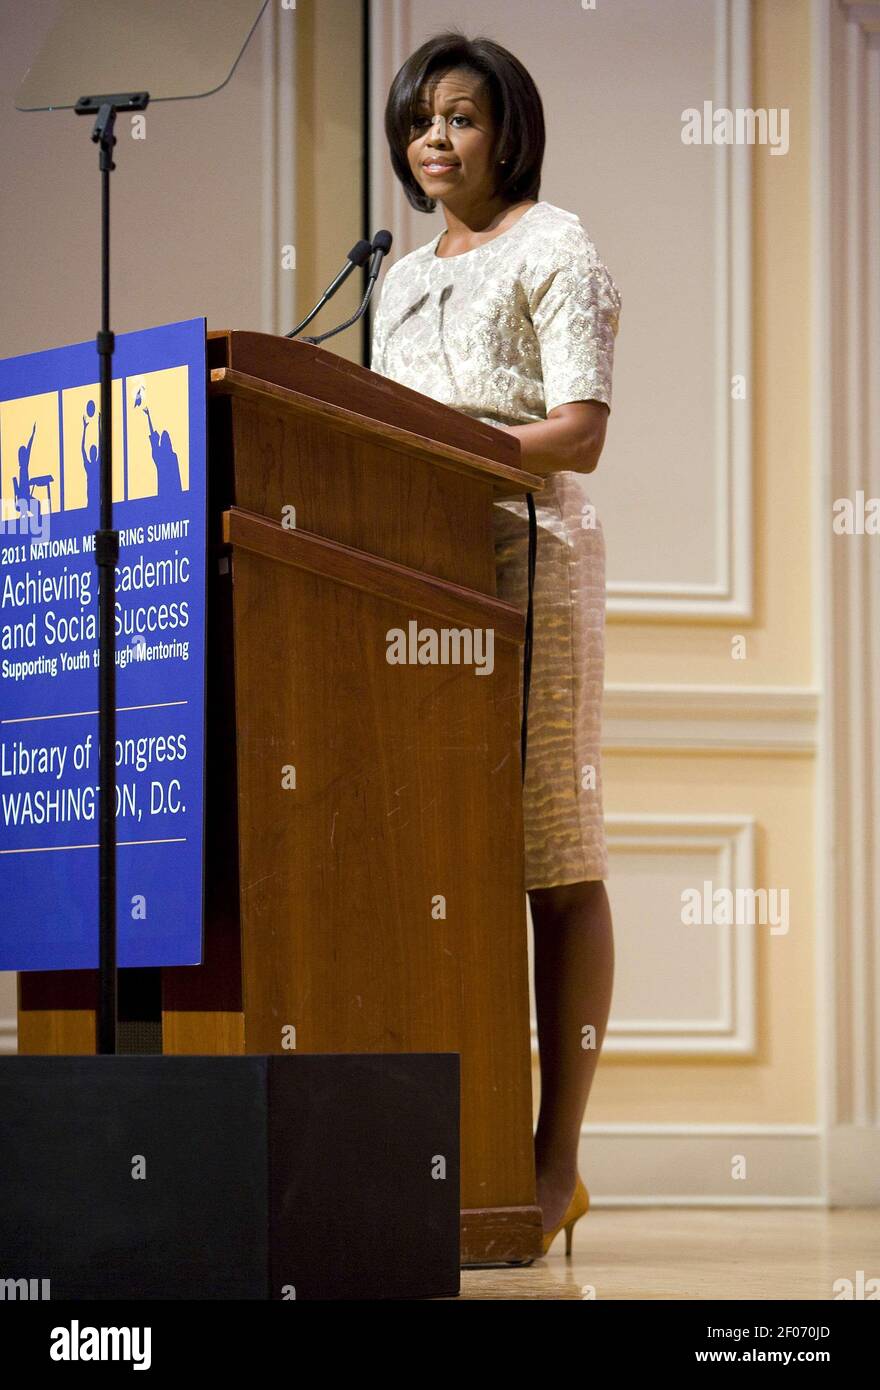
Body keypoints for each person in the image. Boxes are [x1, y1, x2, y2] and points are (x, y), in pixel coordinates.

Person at [370, 30, 622, 1257]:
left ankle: (552, 1163)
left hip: (528, 569)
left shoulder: (553, 243)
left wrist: (453, 452)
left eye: (461, 117)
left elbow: (577, 431)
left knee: (551, 862)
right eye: (421, 118)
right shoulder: (395, 278)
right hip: (406, 576)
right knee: (445, 866)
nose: (436, 138)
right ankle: (448, 1154)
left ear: (505, 129)